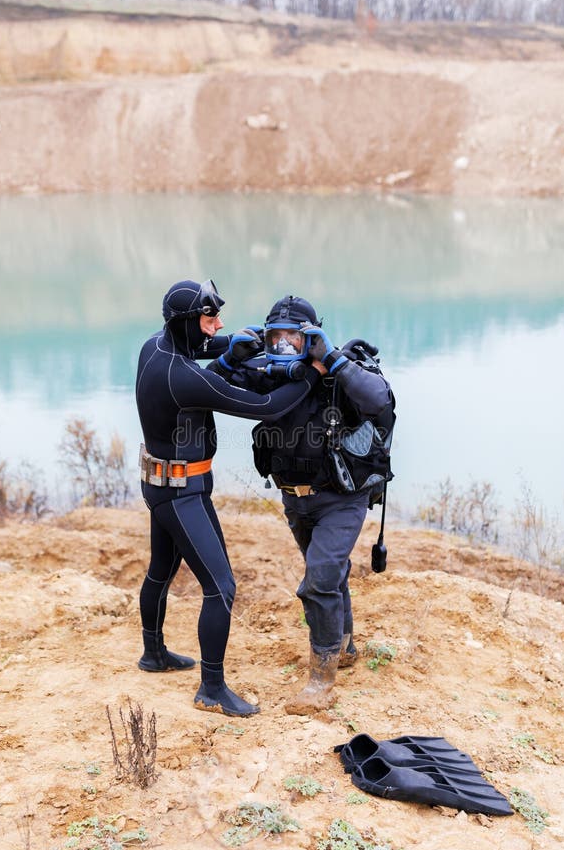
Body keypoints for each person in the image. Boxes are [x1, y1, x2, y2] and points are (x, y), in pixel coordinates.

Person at [135, 280, 324, 717]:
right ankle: (212, 688)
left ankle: (154, 654)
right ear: (186, 323)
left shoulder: (154, 349)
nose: (217, 325)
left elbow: (206, 349)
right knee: (221, 587)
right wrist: (312, 372)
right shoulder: (184, 378)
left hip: (158, 485)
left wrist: (237, 345)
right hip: (184, 493)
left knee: (160, 571)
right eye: (209, 319)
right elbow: (267, 407)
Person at [209, 295, 395, 715]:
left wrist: (330, 357)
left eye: (295, 336)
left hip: (342, 498)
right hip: (295, 499)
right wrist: (231, 359)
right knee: (329, 574)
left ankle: (321, 681)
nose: (285, 344)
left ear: (312, 334)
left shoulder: (338, 372)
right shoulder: (268, 375)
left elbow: (379, 401)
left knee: (321, 576)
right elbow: (209, 388)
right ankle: (344, 646)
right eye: (276, 336)